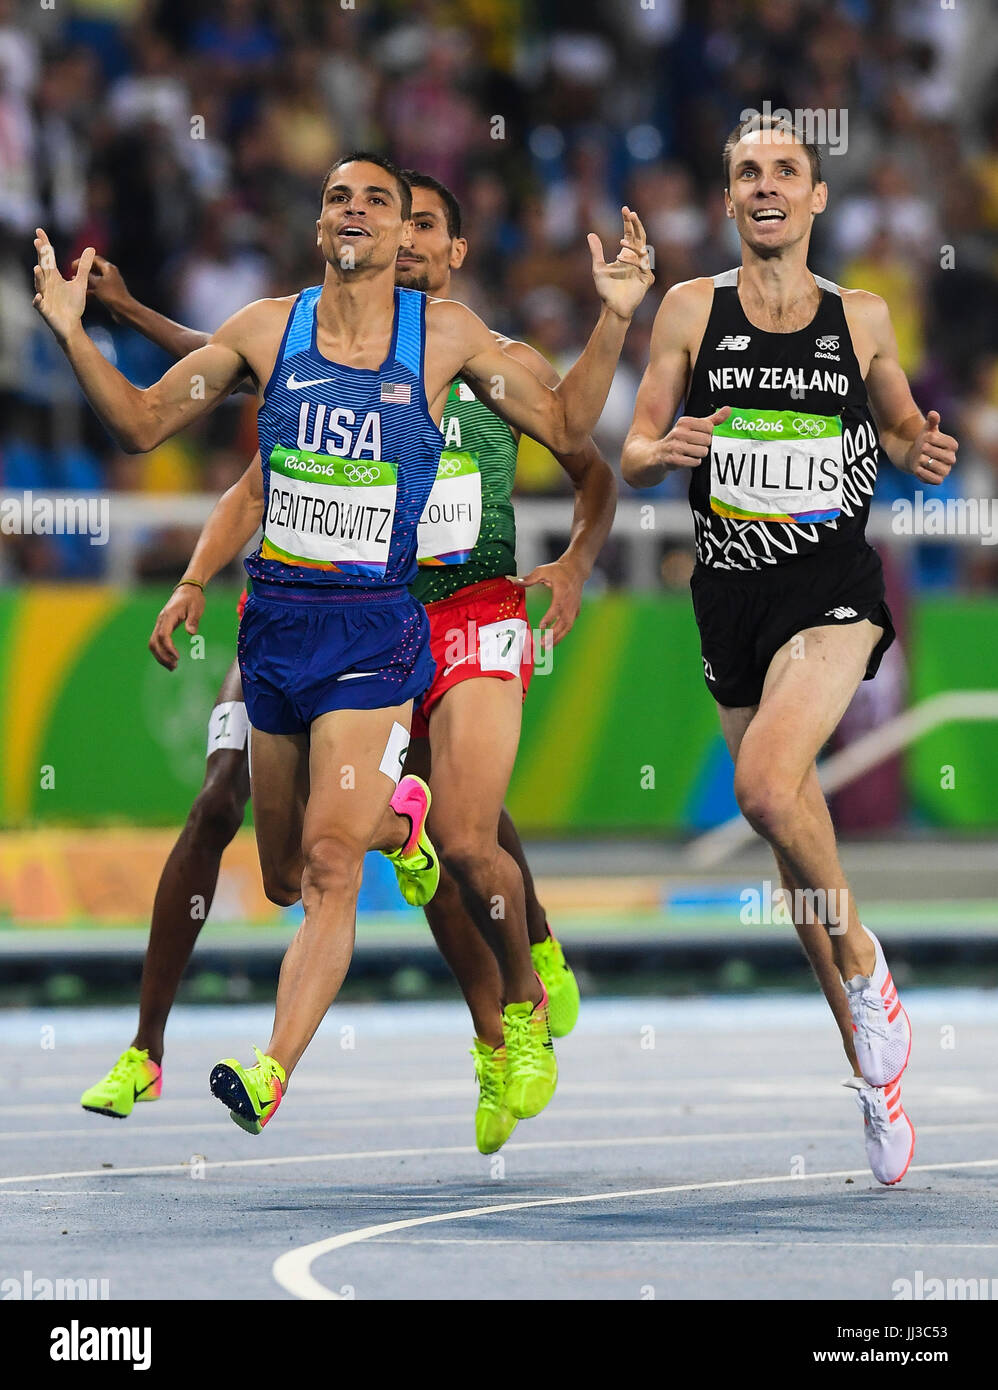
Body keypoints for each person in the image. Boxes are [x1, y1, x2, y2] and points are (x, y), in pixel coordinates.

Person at [34, 152, 652, 1135]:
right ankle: (400, 828)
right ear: (320, 226)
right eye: (340, 198)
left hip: (391, 626)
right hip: (277, 629)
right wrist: (76, 331)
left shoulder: (450, 340)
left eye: (383, 202)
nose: (362, 214)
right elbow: (146, 422)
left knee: (349, 862)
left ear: (425, 235)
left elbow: (575, 430)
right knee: (280, 872)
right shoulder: (266, 329)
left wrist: (614, 316)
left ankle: (277, 1067)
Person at [621, 115, 957, 1186]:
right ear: (728, 202)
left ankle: (870, 972)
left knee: (767, 788)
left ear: (814, 199)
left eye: (783, 171)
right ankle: (870, 1067)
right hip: (729, 598)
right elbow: (632, 448)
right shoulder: (688, 309)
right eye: (745, 174)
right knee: (793, 867)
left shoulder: (857, 317)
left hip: (829, 590)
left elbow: (900, 425)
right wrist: (655, 449)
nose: (764, 186)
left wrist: (918, 444)